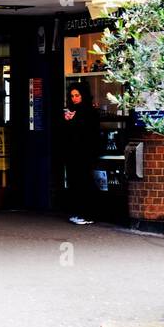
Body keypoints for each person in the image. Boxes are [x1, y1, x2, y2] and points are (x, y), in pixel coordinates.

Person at [62, 82, 100, 225]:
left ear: (83, 95)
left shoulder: (89, 112)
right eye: (72, 96)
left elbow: (88, 133)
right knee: (75, 182)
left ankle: (87, 214)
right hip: (73, 153)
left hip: (84, 153)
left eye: (77, 95)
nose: (74, 98)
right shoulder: (71, 111)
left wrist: (72, 121)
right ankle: (78, 212)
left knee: (84, 182)